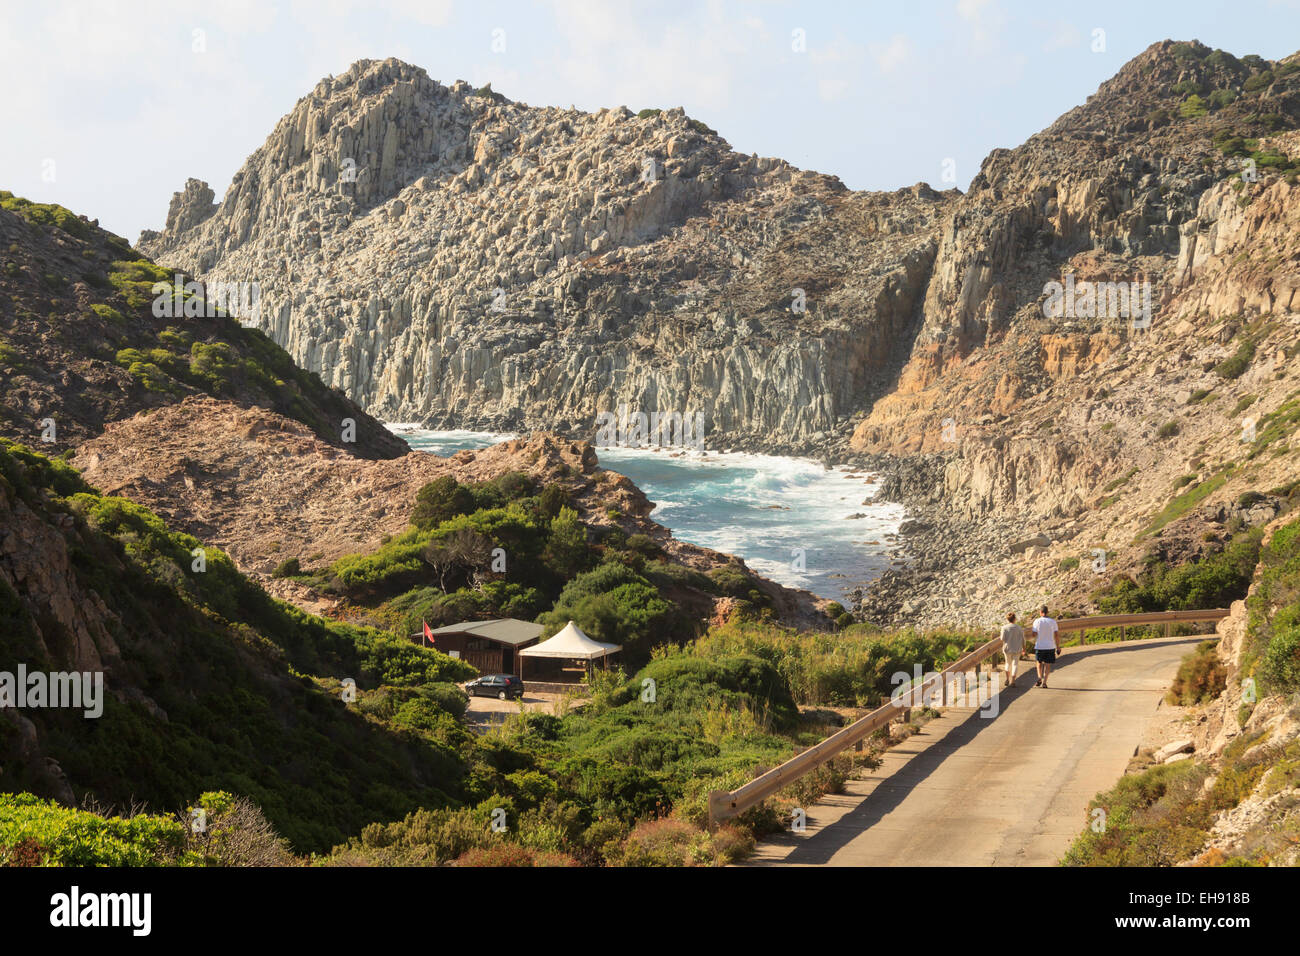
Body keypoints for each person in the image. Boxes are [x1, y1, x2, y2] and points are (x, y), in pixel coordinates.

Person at [1032, 605, 1061, 688]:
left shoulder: (1036, 621)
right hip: (1050, 646)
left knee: (1039, 663)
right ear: (1047, 612)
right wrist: (1058, 646)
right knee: (1047, 665)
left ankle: (1039, 677)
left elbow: (1033, 634)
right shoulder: (1053, 622)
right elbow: (1056, 635)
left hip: (1040, 645)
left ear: (1040, 612)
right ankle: (1044, 682)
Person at [999, 612, 1024, 684]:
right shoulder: (1019, 628)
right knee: (1015, 664)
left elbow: (1002, 638)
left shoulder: (1004, 628)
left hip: (1007, 648)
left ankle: (1007, 679)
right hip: (1017, 648)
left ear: (1007, 619)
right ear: (1015, 619)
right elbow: (1023, 639)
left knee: (1007, 663)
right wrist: (1024, 648)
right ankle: (1013, 680)